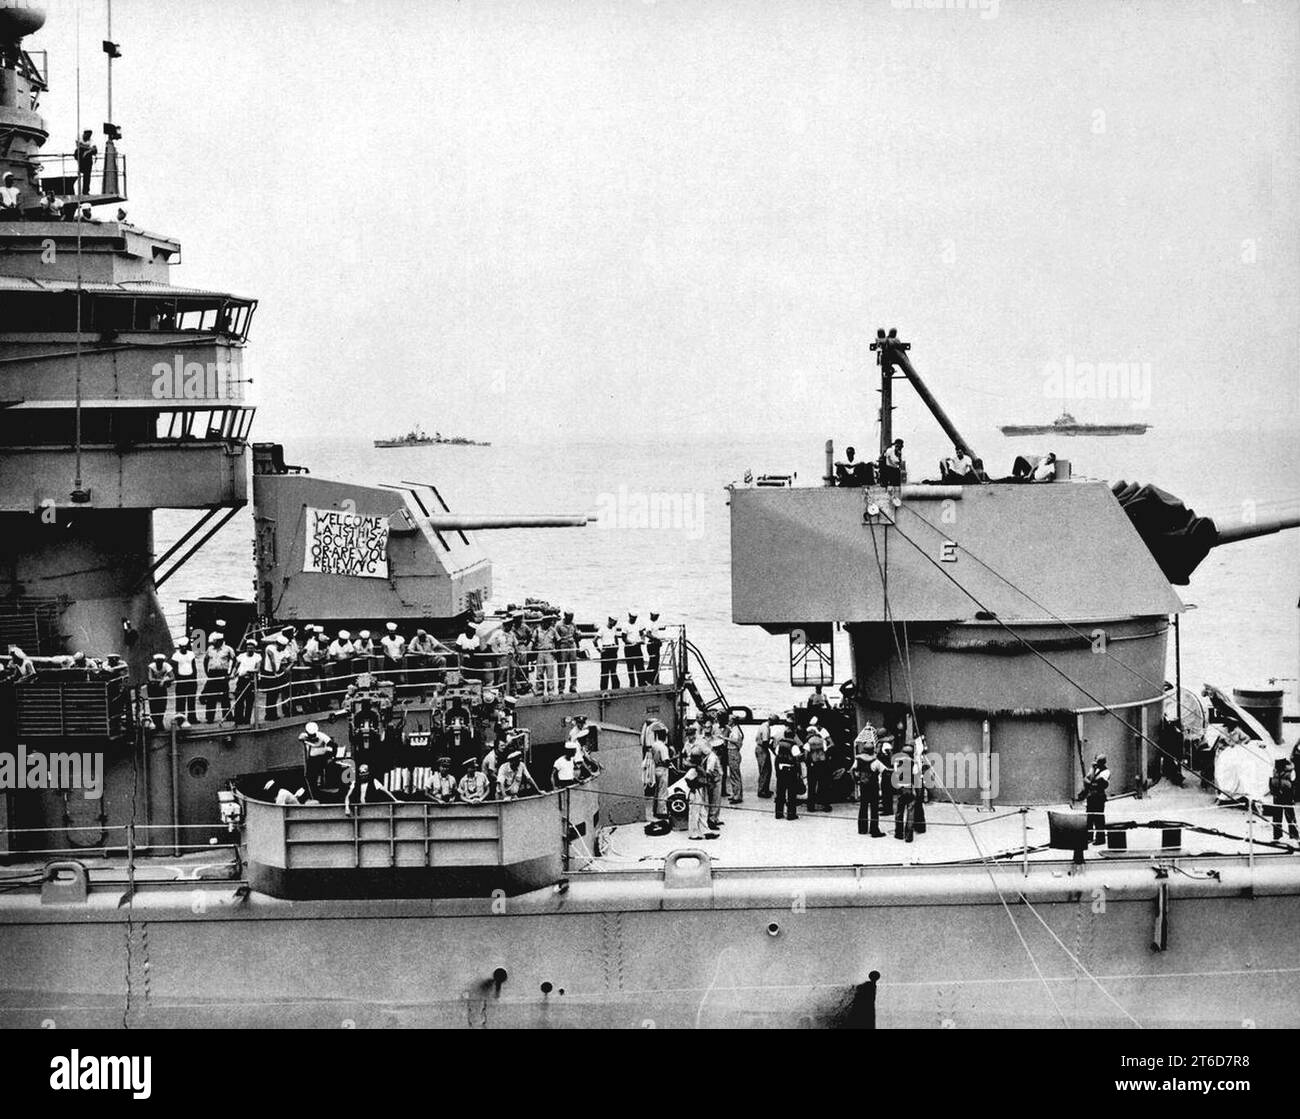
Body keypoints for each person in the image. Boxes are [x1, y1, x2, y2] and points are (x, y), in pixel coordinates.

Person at [853, 743, 886, 837]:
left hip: (863, 785)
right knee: (874, 808)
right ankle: (874, 830)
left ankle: (862, 829)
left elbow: (852, 770)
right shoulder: (875, 761)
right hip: (873, 786)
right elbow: (884, 770)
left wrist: (857, 781)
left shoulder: (858, 760)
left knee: (863, 806)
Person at [202, 630, 233, 723]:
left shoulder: (228, 649)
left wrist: (230, 672)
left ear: (220, 641)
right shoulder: (210, 649)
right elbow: (205, 660)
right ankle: (210, 717)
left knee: (225, 696)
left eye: (215, 641)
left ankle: (227, 716)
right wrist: (207, 672)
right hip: (212, 673)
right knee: (211, 696)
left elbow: (234, 660)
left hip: (223, 673)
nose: (213, 643)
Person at [299, 722, 335, 800]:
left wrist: (329, 754)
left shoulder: (322, 736)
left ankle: (319, 790)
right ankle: (313, 794)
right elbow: (300, 738)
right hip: (311, 759)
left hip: (321, 758)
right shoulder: (304, 736)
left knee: (316, 774)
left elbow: (332, 745)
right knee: (309, 777)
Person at [773, 726, 803, 821]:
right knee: (791, 793)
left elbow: (777, 758)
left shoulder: (779, 744)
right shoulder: (794, 746)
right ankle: (791, 814)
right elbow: (797, 760)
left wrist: (777, 770)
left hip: (781, 770)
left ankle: (778, 813)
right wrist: (799, 773)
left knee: (780, 792)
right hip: (791, 771)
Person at [1266, 759, 1298, 842]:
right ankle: (1277, 836)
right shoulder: (1274, 770)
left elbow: (1294, 784)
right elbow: (1270, 781)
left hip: (1287, 794)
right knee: (1276, 816)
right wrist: (1273, 791)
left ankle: (1294, 835)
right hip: (1277, 795)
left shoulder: (1291, 771)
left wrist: (1292, 796)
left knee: (1290, 815)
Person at [643, 723, 671, 820]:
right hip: (663, 769)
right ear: (664, 736)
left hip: (656, 768)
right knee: (663, 791)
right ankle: (661, 812)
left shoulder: (654, 745)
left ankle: (655, 810)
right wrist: (674, 758)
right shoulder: (663, 747)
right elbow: (666, 760)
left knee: (656, 791)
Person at [1082, 753, 1110, 845]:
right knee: (1089, 818)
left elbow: (1096, 782)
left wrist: (1090, 781)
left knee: (1099, 818)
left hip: (1099, 797)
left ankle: (1100, 838)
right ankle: (1089, 837)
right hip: (1091, 796)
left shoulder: (1106, 772)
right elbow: (1086, 779)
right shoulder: (1093, 769)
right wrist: (1090, 781)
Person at [804, 720, 831, 811]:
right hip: (822, 765)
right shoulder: (822, 741)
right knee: (823, 785)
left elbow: (806, 755)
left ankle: (811, 806)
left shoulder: (808, 743)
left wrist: (808, 763)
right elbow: (826, 752)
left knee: (811, 786)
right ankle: (826, 806)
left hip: (812, 765)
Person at [232, 638, 260, 724]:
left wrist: (249, 672)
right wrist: (233, 673)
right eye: (248, 648)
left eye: (252, 648)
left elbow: (257, 669)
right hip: (241, 680)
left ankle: (247, 720)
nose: (250, 649)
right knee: (239, 700)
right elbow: (236, 666)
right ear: (246, 648)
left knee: (249, 701)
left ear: (254, 648)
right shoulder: (241, 656)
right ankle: (238, 720)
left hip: (251, 680)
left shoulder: (257, 657)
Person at [685, 763, 716, 841]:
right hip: (694, 792)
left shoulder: (700, 770)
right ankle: (693, 834)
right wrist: (699, 784)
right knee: (694, 814)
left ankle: (706, 831)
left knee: (703, 813)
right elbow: (687, 779)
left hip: (699, 792)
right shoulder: (693, 770)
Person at [171, 637, 198, 725]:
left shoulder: (191, 654)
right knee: (180, 700)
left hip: (191, 678)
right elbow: (174, 669)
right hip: (181, 678)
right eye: (182, 647)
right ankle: (180, 718)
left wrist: (194, 677)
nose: (183, 648)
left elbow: (194, 666)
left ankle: (192, 718)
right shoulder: (176, 656)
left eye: (185, 646)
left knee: (191, 700)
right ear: (179, 647)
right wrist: (178, 678)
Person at [145, 653, 173, 728]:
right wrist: (162, 680)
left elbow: (172, 677)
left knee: (162, 705)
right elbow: (150, 679)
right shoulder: (151, 666)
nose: (159, 663)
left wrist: (163, 681)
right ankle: (154, 722)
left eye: (161, 661)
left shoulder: (166, 666)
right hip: (153, 688)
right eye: (158, 661)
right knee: (153, 705)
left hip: (162, 688)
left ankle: (160, 721)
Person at [534, 614, 559, 696]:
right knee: (539, 672)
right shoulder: (537, 631)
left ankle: (550, 690)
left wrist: (556, 650)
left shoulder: (552, 630)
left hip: (549, 652)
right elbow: (533, 640)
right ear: (543, 623)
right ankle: (540, 690)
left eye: (549, 622)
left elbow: (558, 640)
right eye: (547, 622)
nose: (548, 624)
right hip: (540, 652)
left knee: (550, 672)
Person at [554, 611, 579, 693]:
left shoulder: (573, 624)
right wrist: (557, 651)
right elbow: (555, 638)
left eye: (572, 617)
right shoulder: (558, 625)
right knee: (562, 669)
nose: (571, 618)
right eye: (569, 616)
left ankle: (573, 686)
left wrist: (578, 647)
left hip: (572, 646)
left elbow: (575, 636)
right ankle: (561, 688)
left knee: (573, 668)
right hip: (563, 646)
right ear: (565, 616)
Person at [723, 713, 744, 805]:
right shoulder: (734, 729)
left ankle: (737, 795)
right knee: (732, 774)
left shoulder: (735, 731)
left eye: (729, 720)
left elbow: (735, 740)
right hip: (731, 752)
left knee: (735, 774)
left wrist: (724, 738)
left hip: (733, 752)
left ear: (733, 721)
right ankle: (735, 793)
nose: (728, 721)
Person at [755, 714, 777, 798]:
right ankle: (762, 791)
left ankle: (765, 789)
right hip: (762, 749)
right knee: (765, 770)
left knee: (765, 769)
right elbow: (765, 742)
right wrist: (772, 749)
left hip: (760, 748)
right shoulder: (766, 728)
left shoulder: (763, 725)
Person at [596, 615, 621, 690]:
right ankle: (604, 689)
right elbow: (594, 640)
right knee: (605, 672)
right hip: (606, 650)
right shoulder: (602, 629)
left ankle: (615, 688)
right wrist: (599, 650)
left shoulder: (614, 629)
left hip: (613, 650)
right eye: (614, 621)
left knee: (613, 670)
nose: (615, 623)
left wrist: (617, 647)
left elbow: (616, 638)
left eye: (616, 622)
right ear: (609, 620)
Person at [622, 612, 645, 686]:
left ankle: (641, 683)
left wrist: (642, 640)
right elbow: (624, 638)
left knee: (640, 666)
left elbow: (642, 634)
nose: (633, 619)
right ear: (629, 616)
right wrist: (631, 643)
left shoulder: (638, 624)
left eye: (635, 618)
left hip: (637, 647)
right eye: (632, 617)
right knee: (630, 667)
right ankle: (632, 684)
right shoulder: (625, 625)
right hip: (629, 648)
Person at [74, 129, 97, 193]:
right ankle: (81, 167)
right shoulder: (79, 138)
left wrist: (87, 151)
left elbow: (95, 149)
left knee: (87, 175)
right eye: (87, 135)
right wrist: (89, 148)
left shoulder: (91, 141)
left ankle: (85, 191)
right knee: (79, 151)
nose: (88, 137)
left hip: (87, 158)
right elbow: (79, 145)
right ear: (84, 134)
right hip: (80, 155)